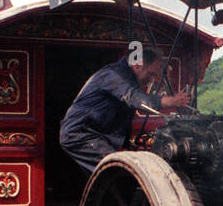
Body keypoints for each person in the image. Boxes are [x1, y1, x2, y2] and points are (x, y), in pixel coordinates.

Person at [58, 48, 190, 175]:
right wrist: (171, 101)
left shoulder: (126, 79)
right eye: (151, 74)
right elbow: (136, 99)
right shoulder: (114, 75)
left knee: (119, 175)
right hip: (80, 135)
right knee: (123, 171)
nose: (152, 80)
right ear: (137, 66)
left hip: (96, 134)